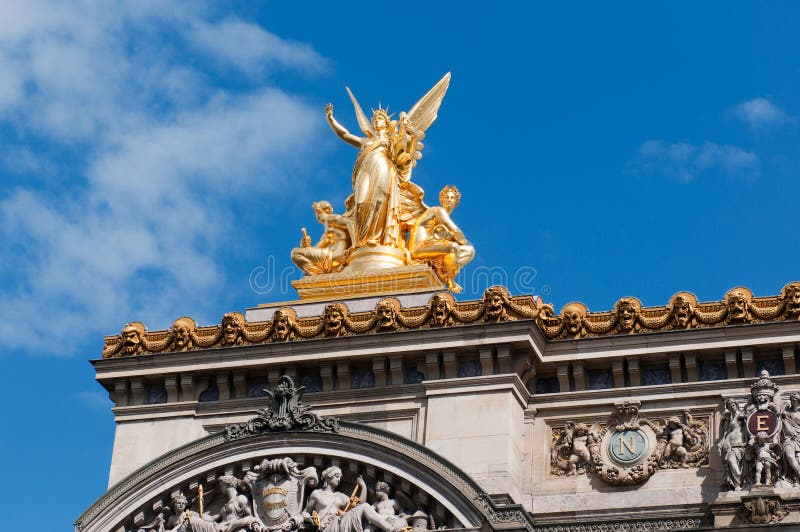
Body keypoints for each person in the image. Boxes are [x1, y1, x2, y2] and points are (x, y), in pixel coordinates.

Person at [304, 466, 402, 532]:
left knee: (364, 506)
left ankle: (387, 528)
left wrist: (363, 486)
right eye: (337, 476)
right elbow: (305, 512)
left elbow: (359, 505)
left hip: (339, 524)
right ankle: (388, 528)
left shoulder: (340, 496)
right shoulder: (317, 494)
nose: (339, 479)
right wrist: (308, 518)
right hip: (326, 528)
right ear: (329, 477)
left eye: (340, 477)